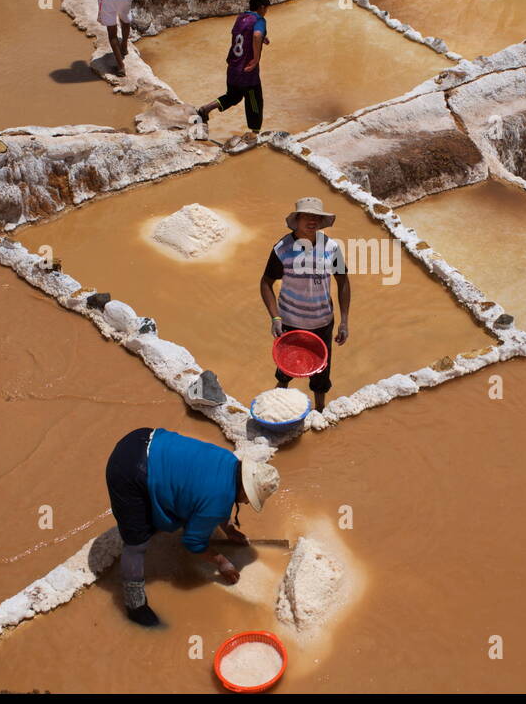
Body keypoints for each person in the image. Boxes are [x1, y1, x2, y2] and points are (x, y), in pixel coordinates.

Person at [105, 427, 280, 627]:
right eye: (250, 498)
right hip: (128, 471)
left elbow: (211, 495)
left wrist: (229, 530)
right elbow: (192, 542)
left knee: (177, 502)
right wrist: (222, 562)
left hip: (142, 439)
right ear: (245, 489)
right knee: (136, 544)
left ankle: (153, 513)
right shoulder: (217, 503)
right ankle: (135, 606)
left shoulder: (229, 461)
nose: (248, 503)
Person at [260, 197, 351, 412]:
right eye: (307, 216)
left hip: (322, 323)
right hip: (290, 323)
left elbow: (343, 281)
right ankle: (277, 408)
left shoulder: (331, 247)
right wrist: (275, 317)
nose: (313, 221)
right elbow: (266, 283)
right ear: (296, 220)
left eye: (317, 217)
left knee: (321, 374)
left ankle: (319, 411)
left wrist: (344, 320)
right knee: (285, 371)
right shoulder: (282, 249)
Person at [196, 0, 271, 135]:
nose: (266, 12)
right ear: (261, 7)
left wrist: (263, 37)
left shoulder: (241, 18)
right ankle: (255, 134)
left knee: (233, 96)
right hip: (248, 73)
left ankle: (205, 109)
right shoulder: (259, 20)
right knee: (255, 102)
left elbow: (244, 34)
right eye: (266, 9)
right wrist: (255, 60)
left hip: (233, 68)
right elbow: (256, 35)